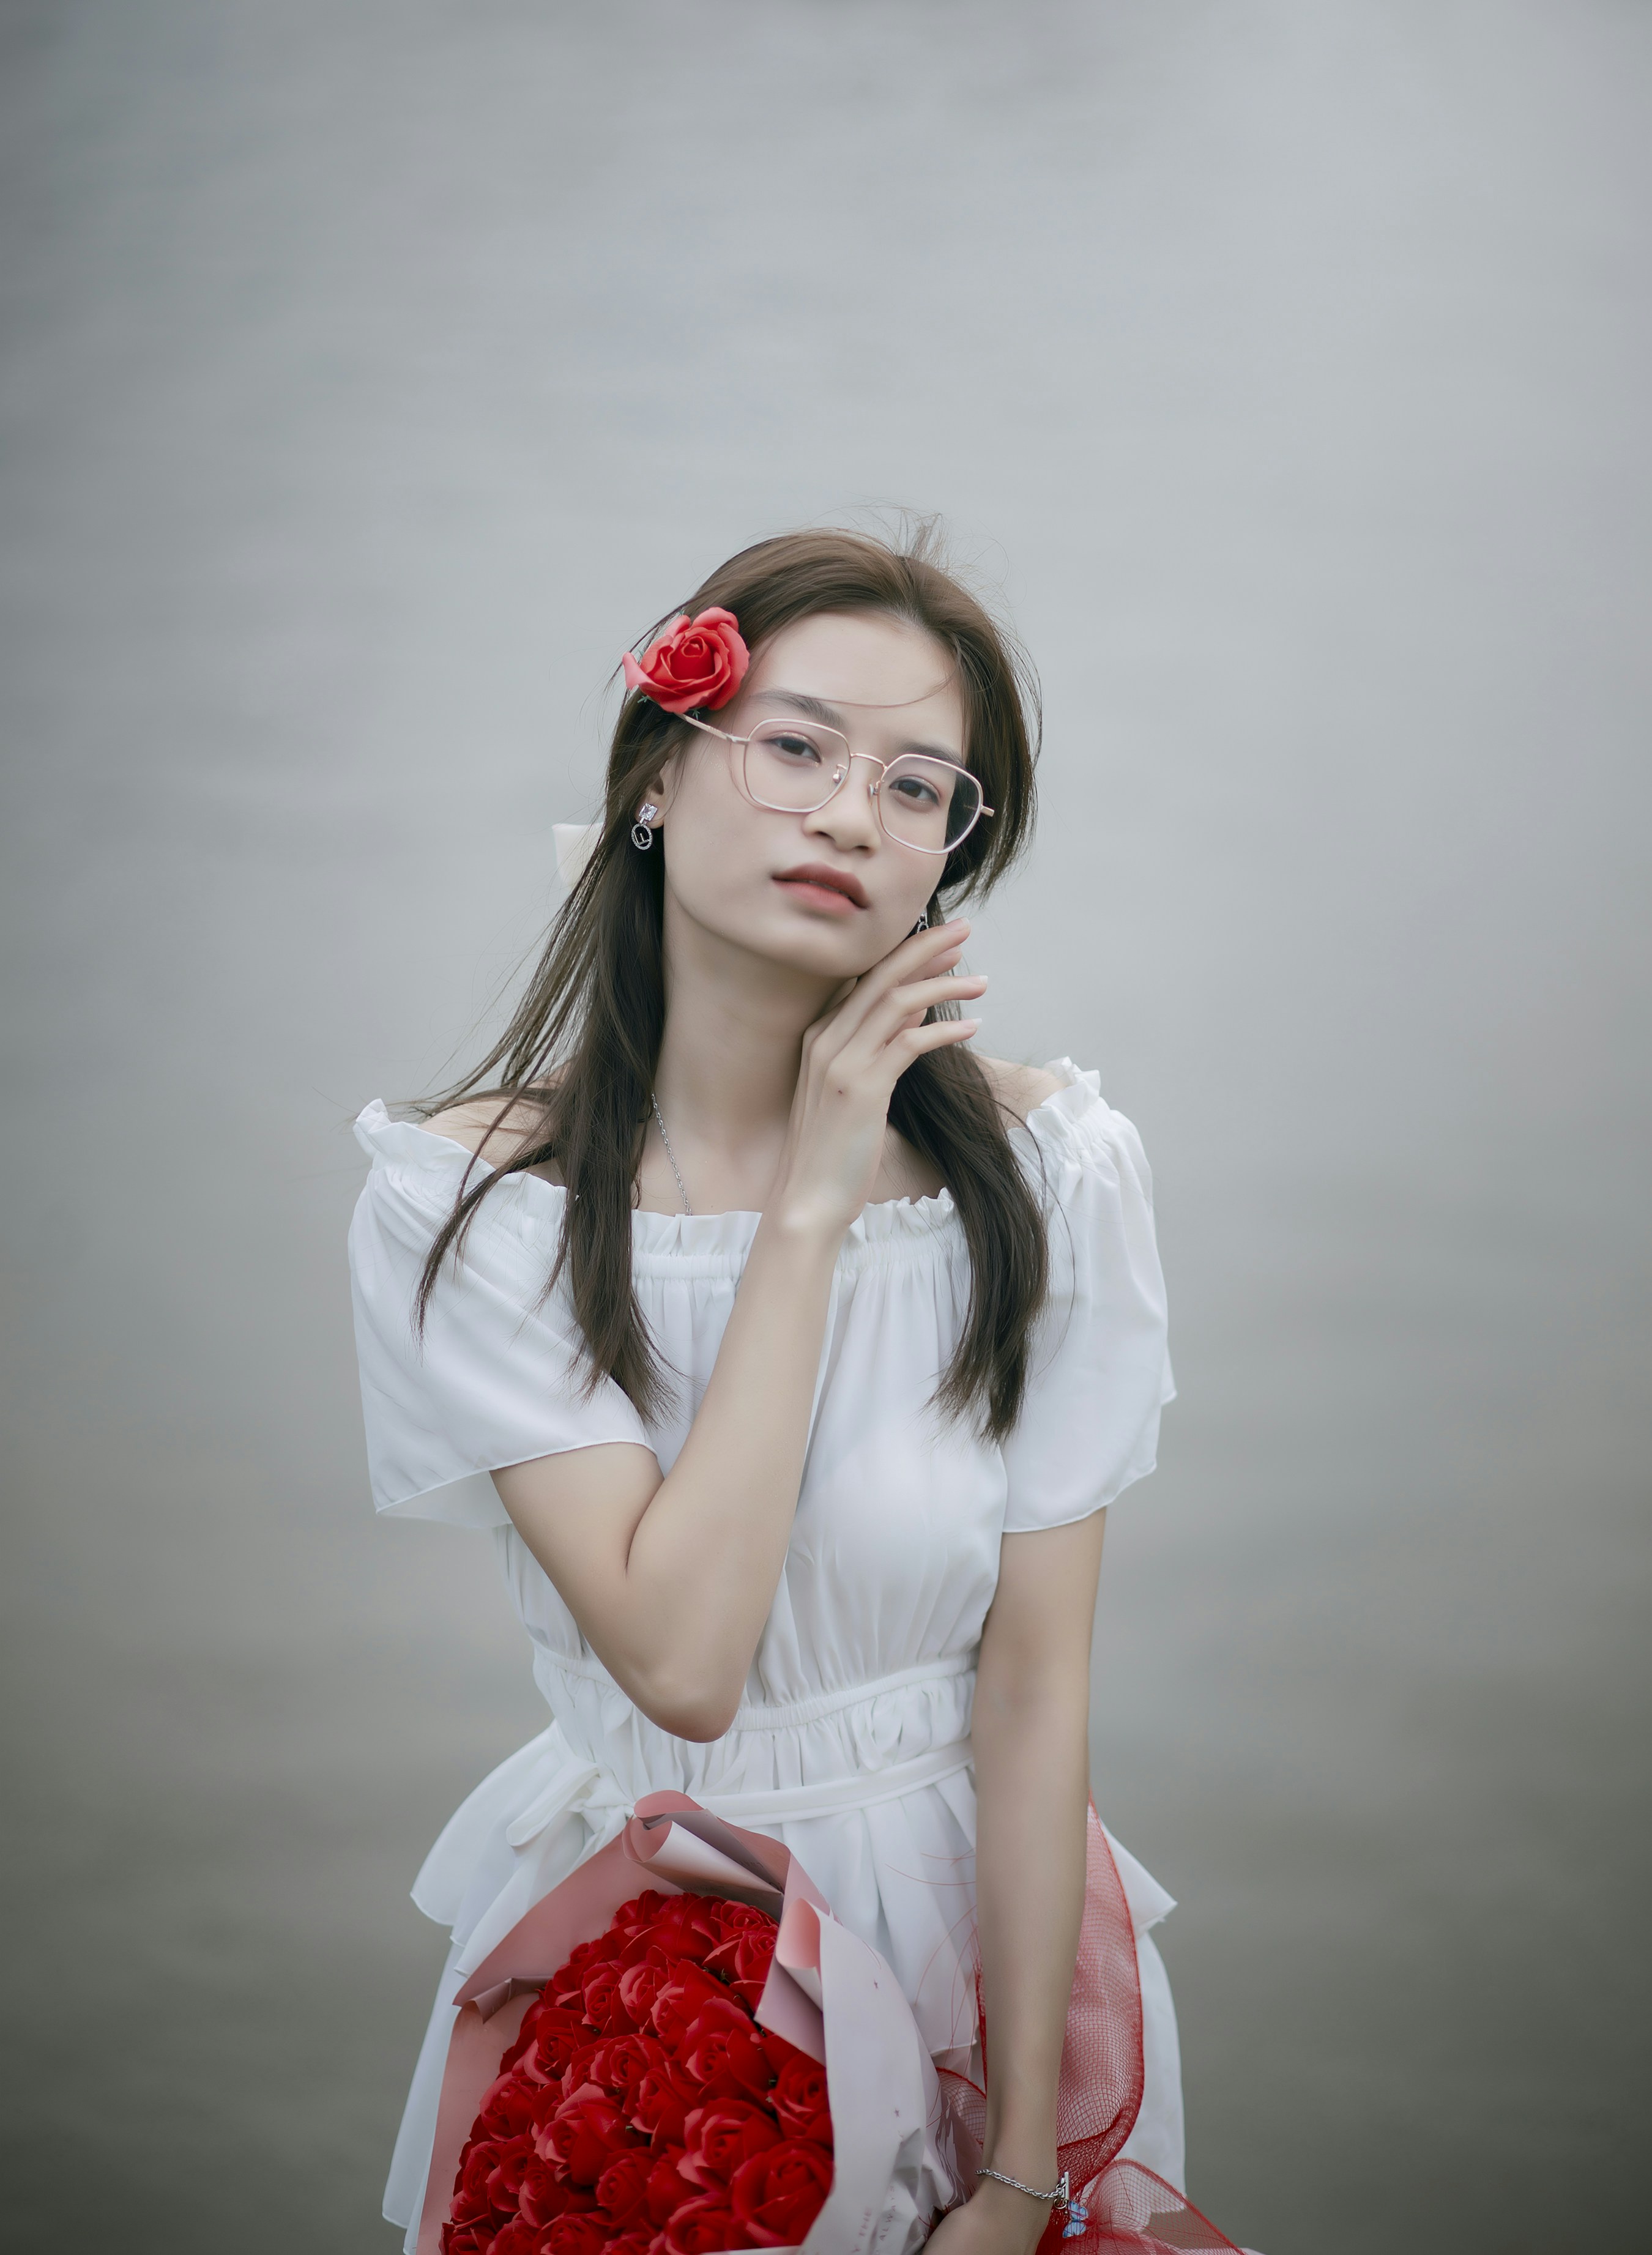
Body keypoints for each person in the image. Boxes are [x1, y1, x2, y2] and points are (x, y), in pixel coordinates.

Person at [349, 526, 1182, 2253]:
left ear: (947, 855)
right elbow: (684, 1659)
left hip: (979, 1950)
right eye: (795, 747)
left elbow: (1033, 1699)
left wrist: (1022, 2170)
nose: (845, 814)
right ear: (660, 776)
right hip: (640, 1951)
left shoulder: (1050, 1171)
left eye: (915, 784)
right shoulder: (468, 1204)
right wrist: (807, 1204)